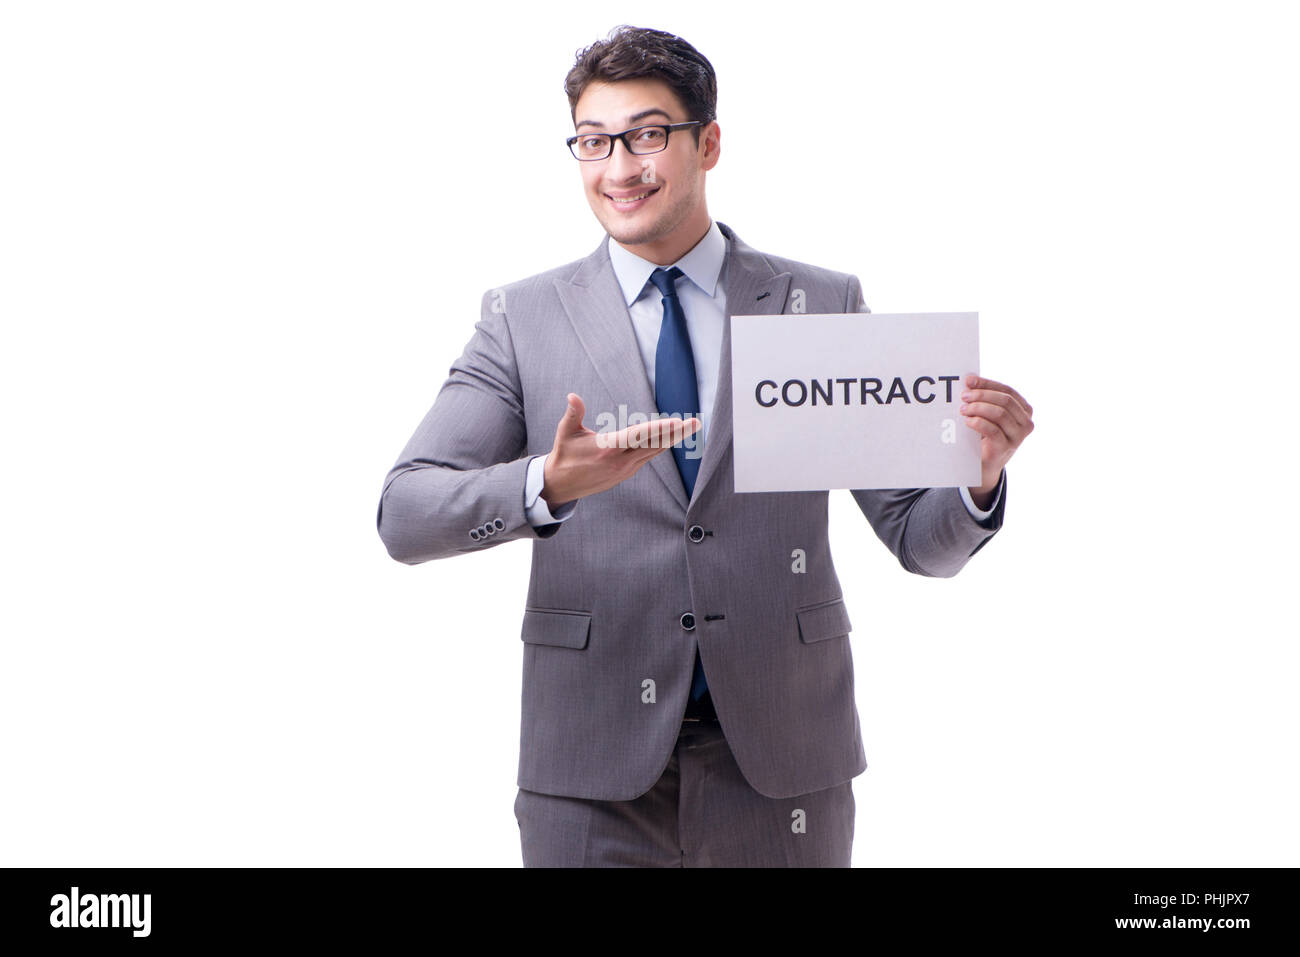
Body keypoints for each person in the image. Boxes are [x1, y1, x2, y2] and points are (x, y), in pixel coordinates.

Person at [376, 25, 1034, 867]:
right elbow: (405, 513)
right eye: (593, 141)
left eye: (648, 135)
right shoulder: (522, 319)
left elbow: (918, 540)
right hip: (591, 769)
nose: (621, 167)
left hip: (781, 765)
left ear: (708, 141)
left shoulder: (816, 303)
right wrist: (545, 482)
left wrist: (974, 481)